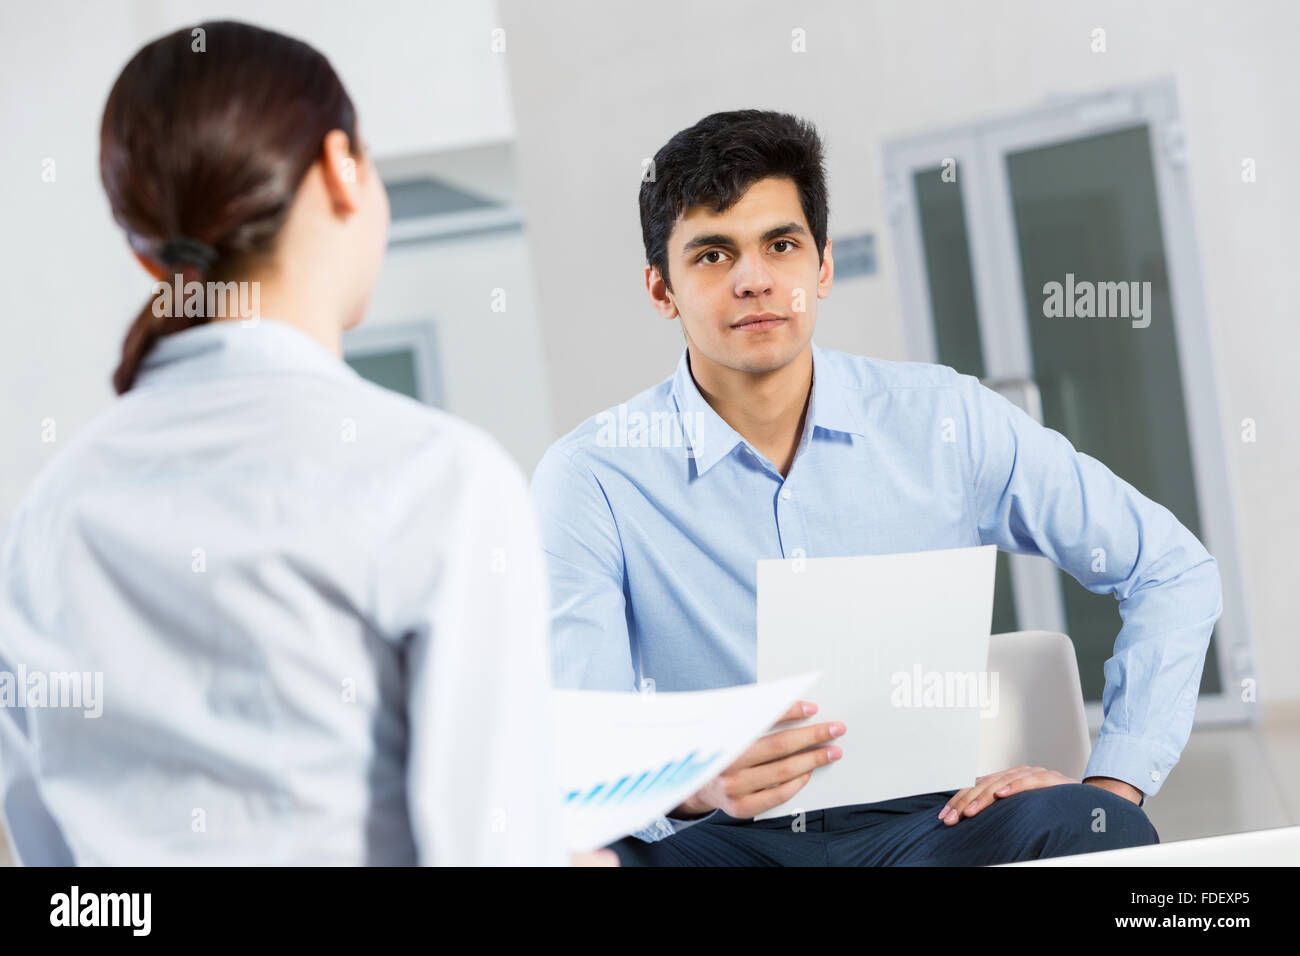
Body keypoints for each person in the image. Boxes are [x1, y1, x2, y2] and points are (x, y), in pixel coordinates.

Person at [530, 109, 1222, 866]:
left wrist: (1113, 782)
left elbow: (1171, 570)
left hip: (933, 825)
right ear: (662, 289)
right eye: (713, 254)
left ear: (820, 266)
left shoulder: (945, 419)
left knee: (1092, 828)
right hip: (716, 839)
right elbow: (583, 733)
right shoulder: (592, 476)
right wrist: (692, 782)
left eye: (781, 245)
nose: (754, 280)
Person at [0, 20, 599, 866]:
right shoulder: (437, 479)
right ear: (341, 171)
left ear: (147, 254)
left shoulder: (43, 518)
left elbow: (54, 864)